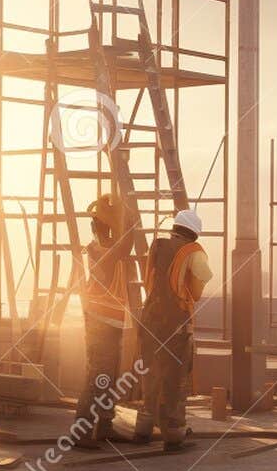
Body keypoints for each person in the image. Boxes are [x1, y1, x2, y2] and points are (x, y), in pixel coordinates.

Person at [133, 209, 212, 451]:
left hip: (149, 319)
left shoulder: (157, 246)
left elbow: (149, 281)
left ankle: (143, 430)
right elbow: (197, 290)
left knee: (151, 375)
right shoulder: (193, 251)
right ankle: (174, 434)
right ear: (195, 233)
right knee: (175, 379)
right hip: (175, 324)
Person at [74, 193, 133, 448]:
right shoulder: (101, 250)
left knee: (109, 375)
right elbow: (125, 244)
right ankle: (82, 430)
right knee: (98, 374)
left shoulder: (104, 247)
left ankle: (104, 425)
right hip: (101, 321)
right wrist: (127, 216)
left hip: (111, 320)